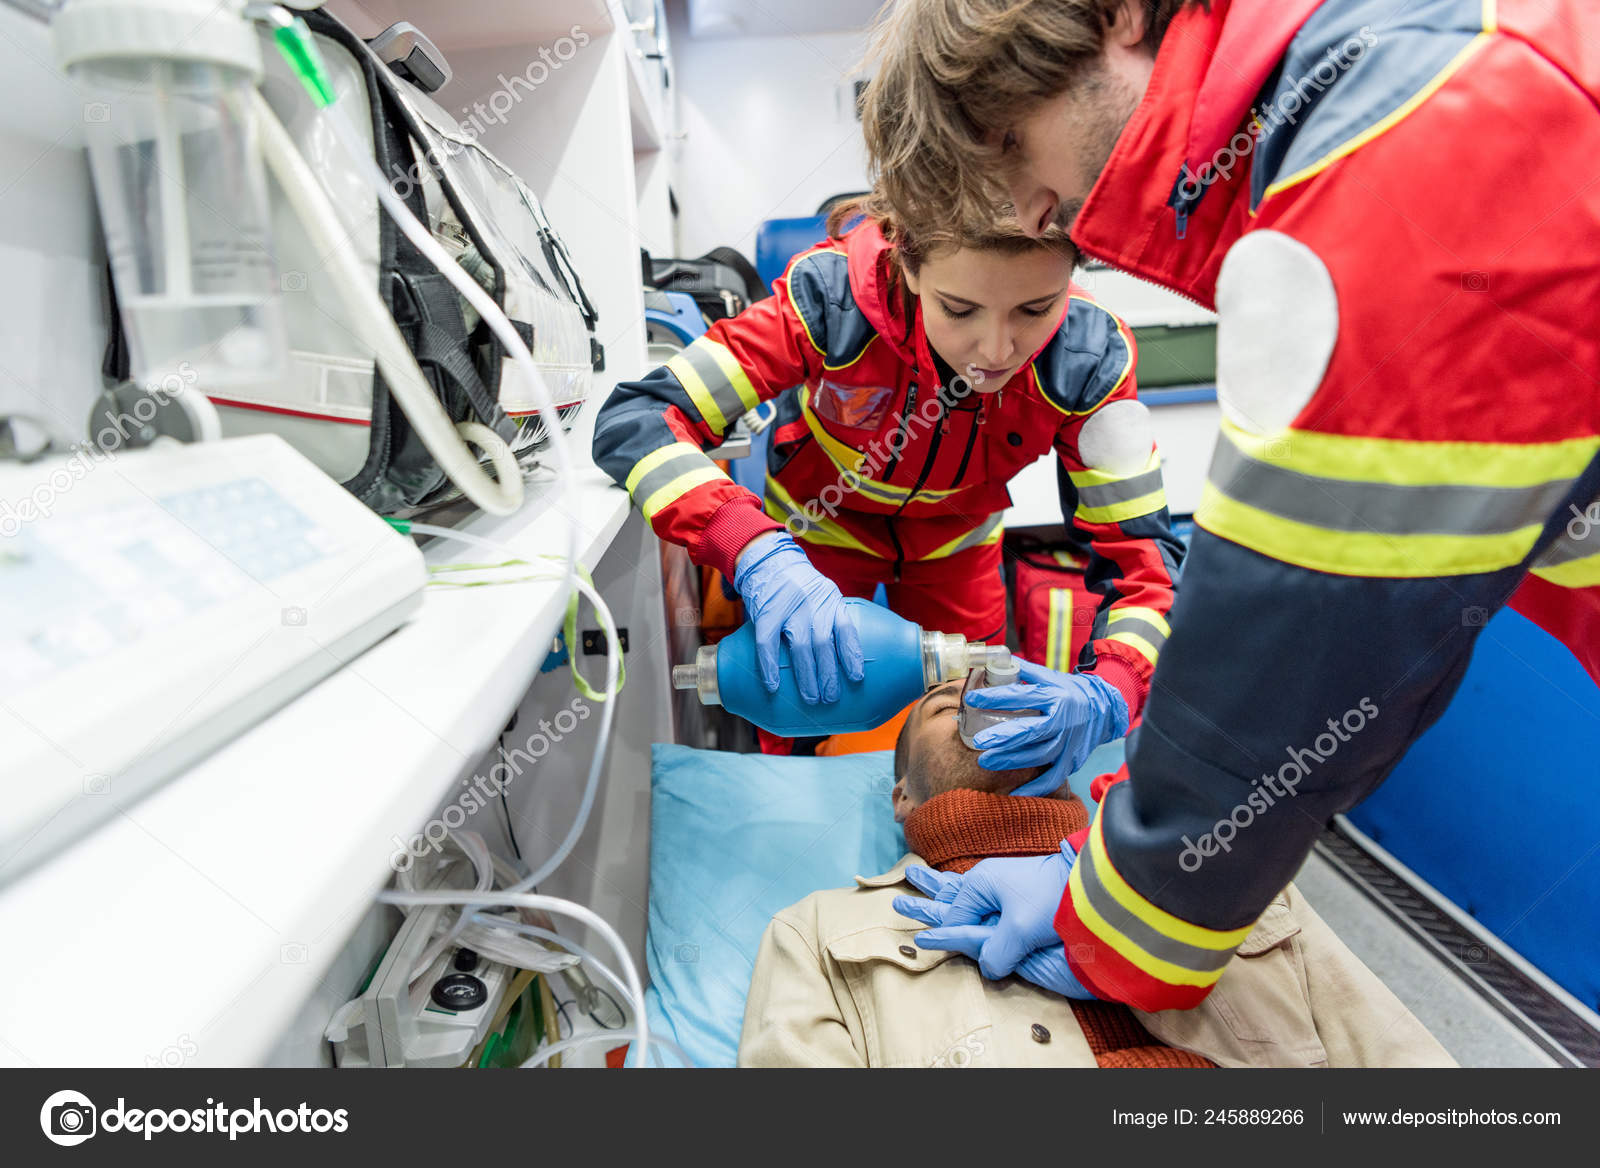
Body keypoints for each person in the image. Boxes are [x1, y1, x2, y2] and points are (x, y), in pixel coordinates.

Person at [859, 0, 1600, 1011]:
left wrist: (1114, 901)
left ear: (1117, 18)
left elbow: (1299, 634)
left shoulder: (1398, 138)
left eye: (1008, 143)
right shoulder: (1400, 76)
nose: (1030, 215)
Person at [593, 195, 1184, 760]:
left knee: (973, 737)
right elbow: (637, 418)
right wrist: (750, 548)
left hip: (957, 549)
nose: (996, 351)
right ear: (910, 265)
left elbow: (1144, 568)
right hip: (812, 535)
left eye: (1035, 310)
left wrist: (1116, 686)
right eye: (960, 309)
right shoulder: (829, 302)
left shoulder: (1090, 360)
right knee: (797, 713)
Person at [737, 680, 1453, 1067]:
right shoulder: (820, 930)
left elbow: (1391, 1053)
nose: (982, 703)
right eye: (948, 706)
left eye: (1009, 696)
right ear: (901, 796)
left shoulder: (1222, 869)